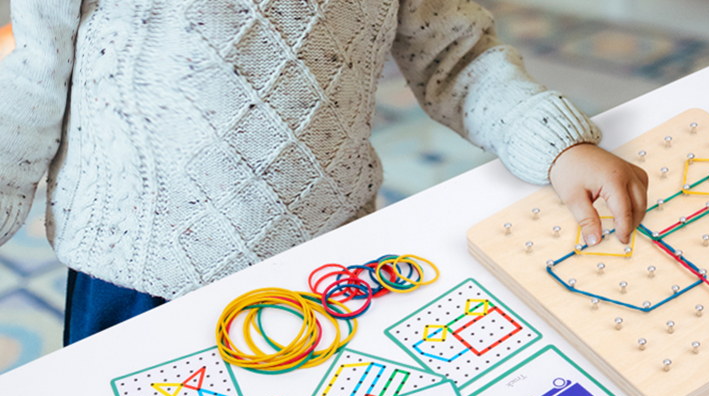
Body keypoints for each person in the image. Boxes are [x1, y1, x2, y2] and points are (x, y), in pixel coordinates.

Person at [0, 0, 648, 345]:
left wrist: (558, 145)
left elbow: (456, 54)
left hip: (323, 257)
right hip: (136, 274)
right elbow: (31, 78)